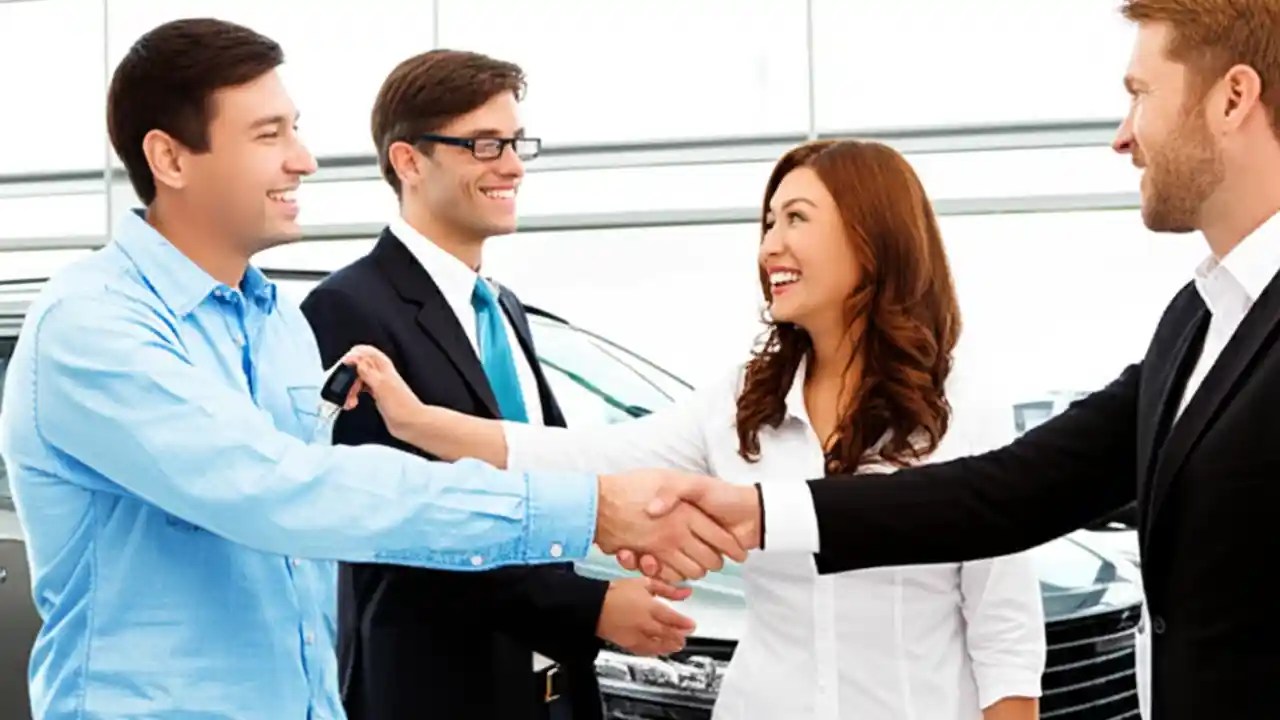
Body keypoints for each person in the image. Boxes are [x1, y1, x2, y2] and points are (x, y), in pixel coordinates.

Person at [0, 19, 743, 719]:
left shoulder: (280, 325)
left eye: (295, 128)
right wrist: (583, 509)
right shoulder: (91, 325)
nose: (305, 158)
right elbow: (286, 493)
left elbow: (324, 553)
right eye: (269, 134)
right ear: (170, 158)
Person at [617, 2, 1280, 719]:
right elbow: (1008, 492)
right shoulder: (1197, 320)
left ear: (1233, 98)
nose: (1124, 138)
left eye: (1139, 95)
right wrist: (759, 512)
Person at [344, 139, 1047, 720]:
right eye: (768, 223)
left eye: (797, 219)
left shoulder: (961, 403)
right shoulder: (747, 401)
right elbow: (587, 454)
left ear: (874, 236)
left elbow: (1005, 626)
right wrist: (419, 421)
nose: (771, 244)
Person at [298, 49, 686, 720]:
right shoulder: (346, 310)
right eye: (484, 145)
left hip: (550, 688)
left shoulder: (504, 310)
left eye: (515, 144)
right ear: (408, 161)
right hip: (438, 690)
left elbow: (553, 478)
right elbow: (399, 528)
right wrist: (591, 608)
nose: (512, 166)